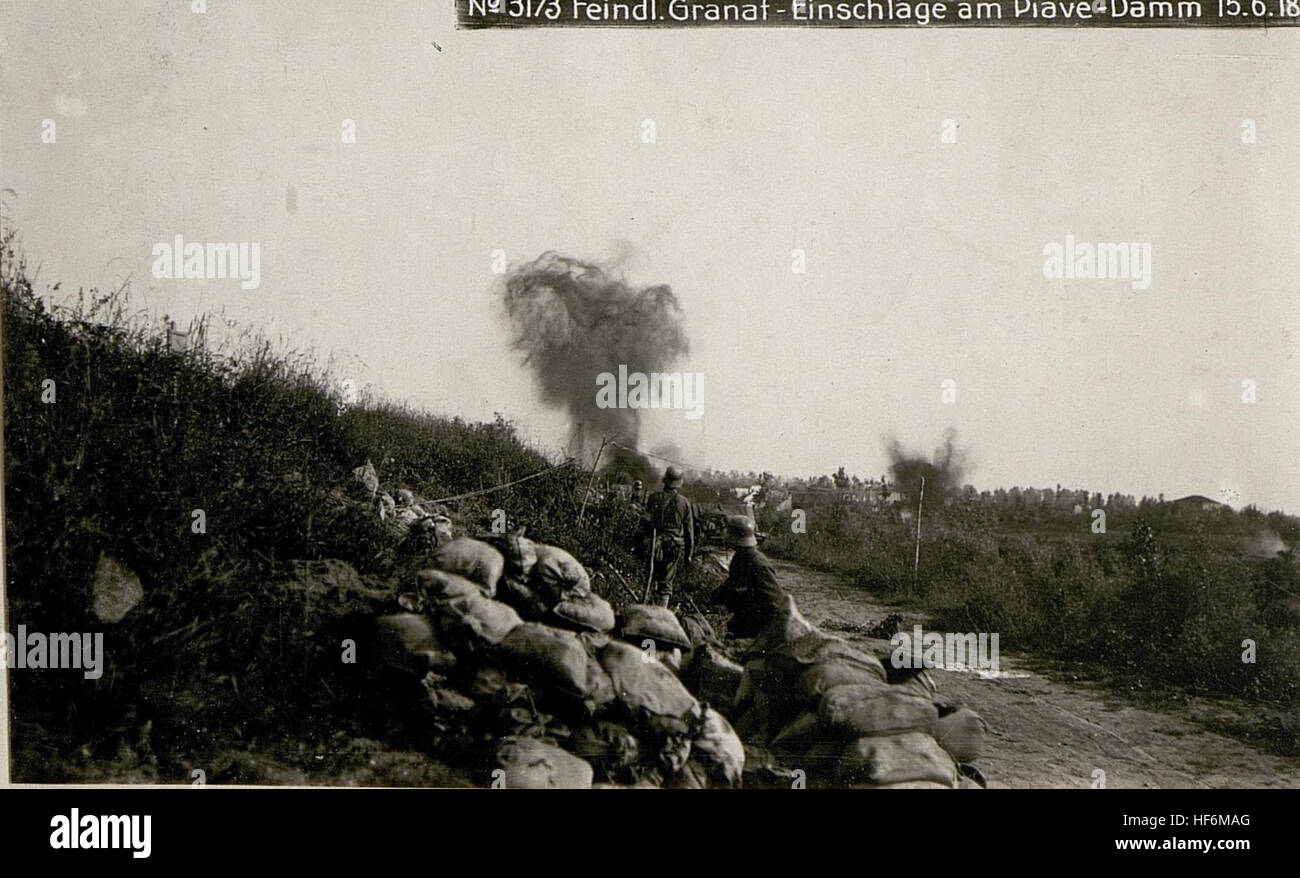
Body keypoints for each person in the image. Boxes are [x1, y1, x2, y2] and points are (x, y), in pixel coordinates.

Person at [714, 515, 786, 640]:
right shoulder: (742, 557)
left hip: (762, 622)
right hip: (750, 615)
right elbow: (733, 583)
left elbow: (774, 601)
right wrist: (717, 595)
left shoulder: (757, 562)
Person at [644, 465, 695, 608]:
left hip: (655, 543)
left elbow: (646, 523)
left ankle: (648, 607)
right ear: (679, 483)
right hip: (673, 546)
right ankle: (661, 613)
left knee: (651, 575)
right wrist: (689, 554)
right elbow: (689, 531)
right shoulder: (684, 503)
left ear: (665, 480)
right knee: (666, 582)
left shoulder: (654, 498)